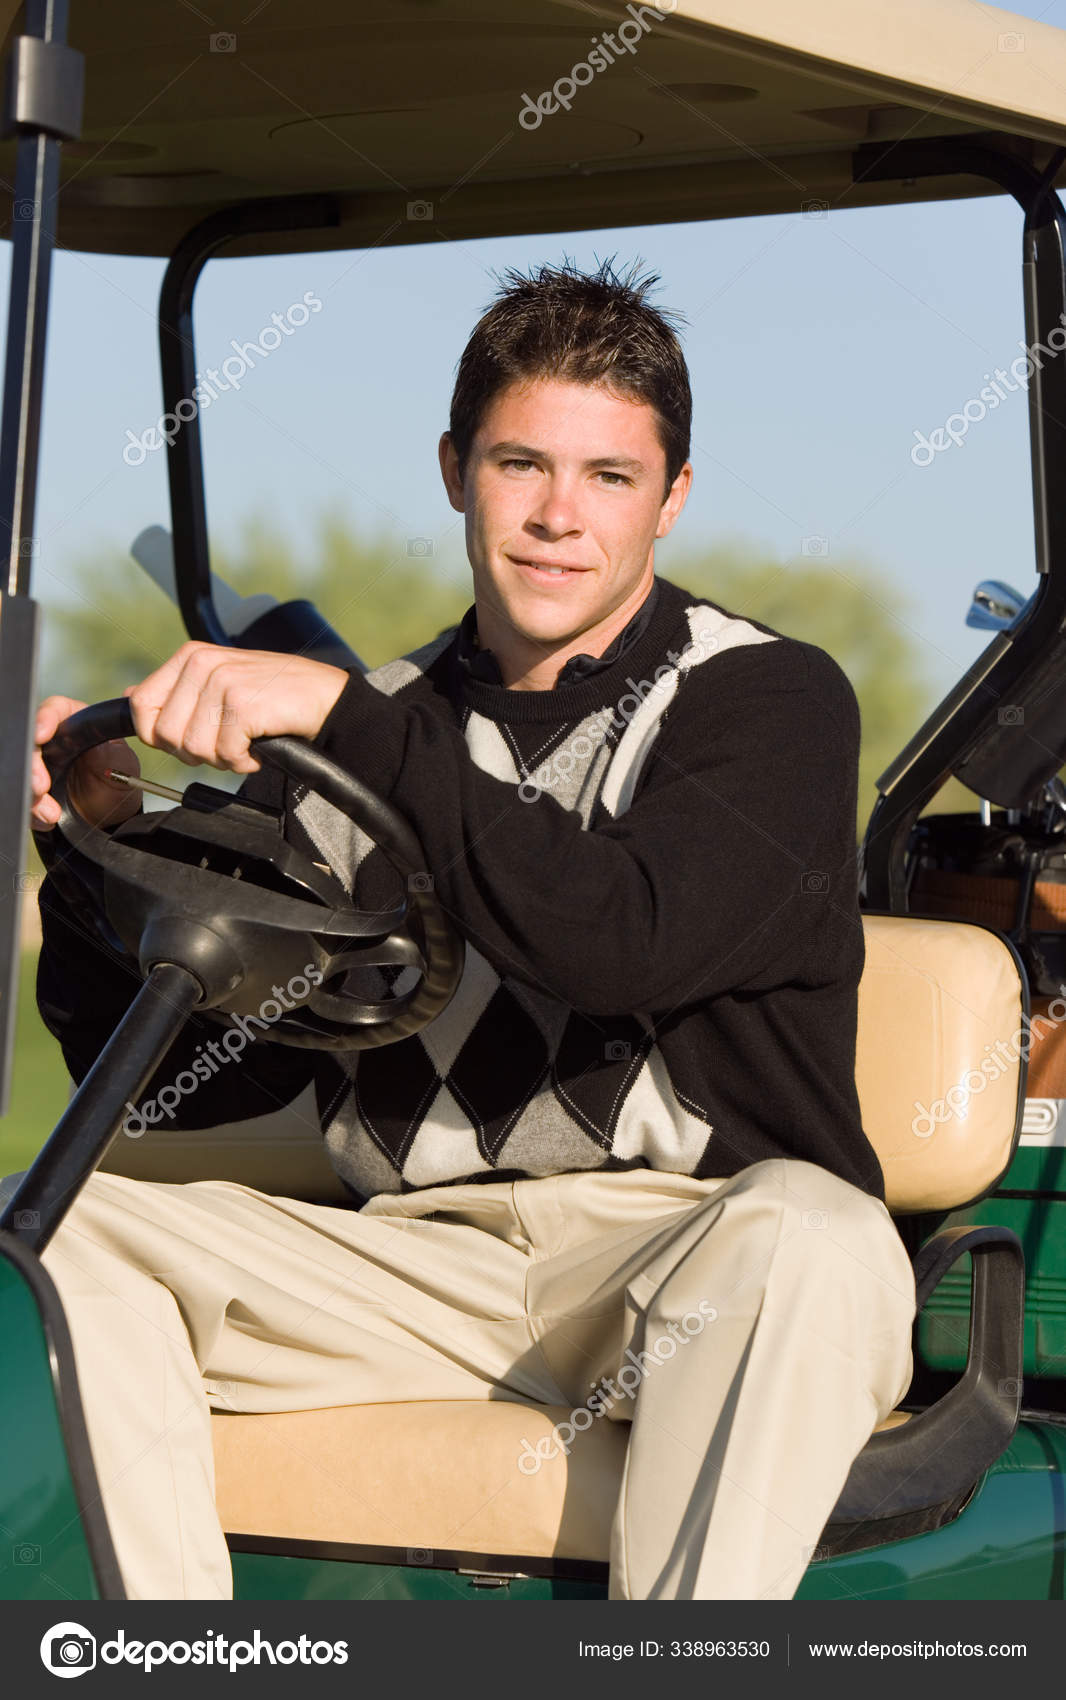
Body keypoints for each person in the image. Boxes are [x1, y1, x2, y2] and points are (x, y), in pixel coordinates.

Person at [25, 259, 915, 1602]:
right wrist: (92, 859)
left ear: (671, 498)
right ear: (455, 471)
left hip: (685, 1252)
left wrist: (351, 723)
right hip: (416, 1264)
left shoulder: (764, 700)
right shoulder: (362, 724)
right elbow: (196, 1080)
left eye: (608, 478)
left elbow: (619, 943)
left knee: (809, 1236)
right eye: (520, 465)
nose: (560, 517)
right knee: (54, 1238)